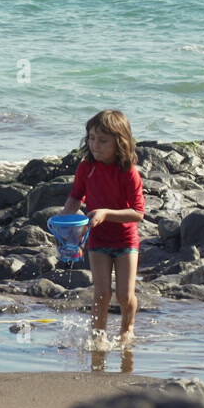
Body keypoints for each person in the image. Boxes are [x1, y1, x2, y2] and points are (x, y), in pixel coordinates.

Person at [58, 110, 146, 347]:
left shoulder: (128, 172)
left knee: (124, 295)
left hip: (126, 240)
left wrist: (106, 213)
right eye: (91, 138)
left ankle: (128, 328)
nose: (95, 145)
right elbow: (76, 197)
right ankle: (99, 335)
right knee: (101, 293)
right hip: (97, 238)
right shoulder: (87, 167)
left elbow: (138, 213)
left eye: (103, 140)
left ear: (120, 142)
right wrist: (63, 222)